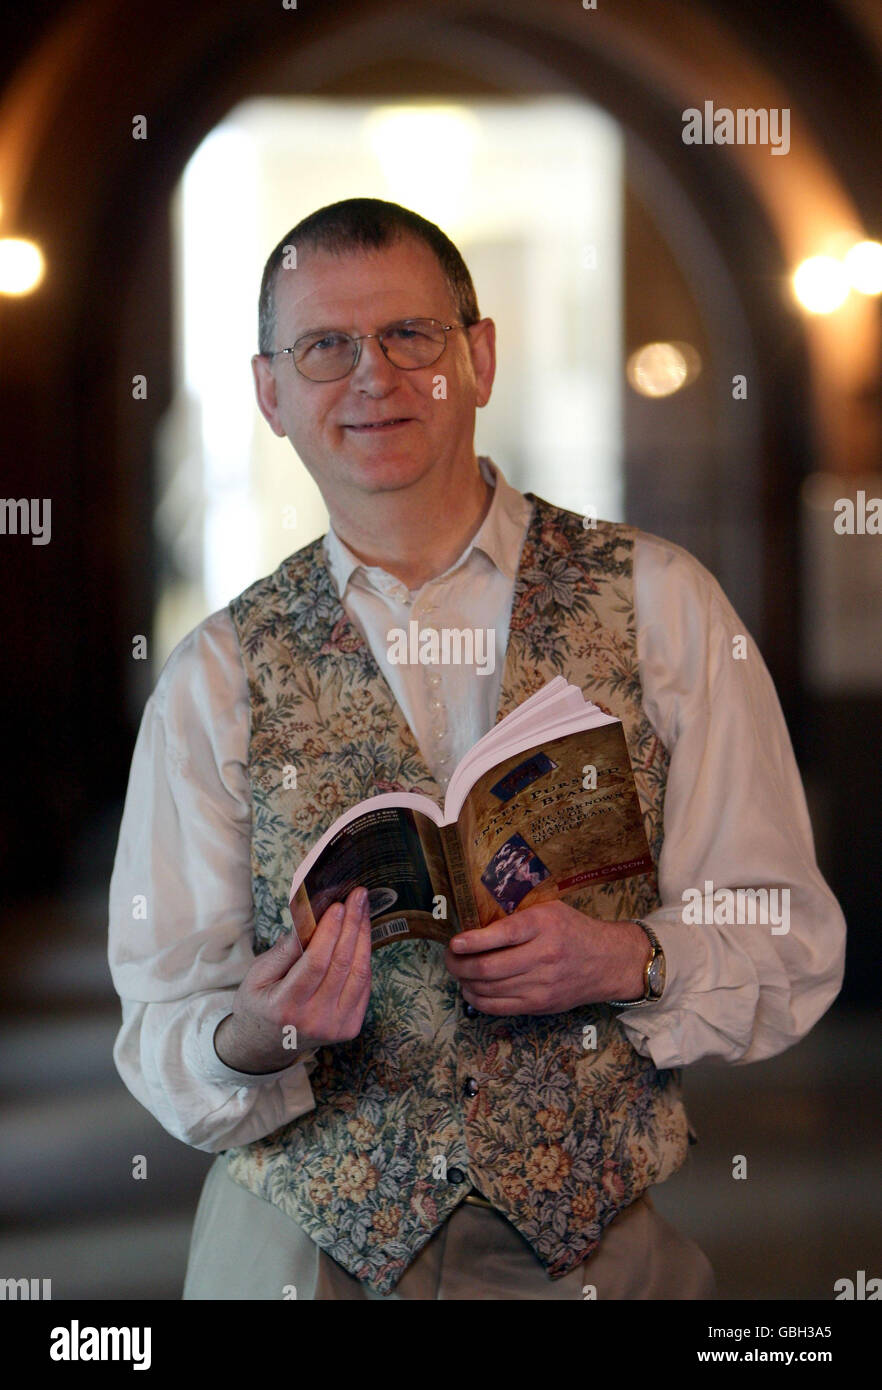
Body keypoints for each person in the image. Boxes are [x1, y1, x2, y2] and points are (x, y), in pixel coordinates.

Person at [108, 197, 846, 1301]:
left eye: (413, 336)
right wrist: (259, 1031)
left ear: (479, 355)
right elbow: (164, 1020)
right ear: (271, 393)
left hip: (593, 1251)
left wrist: (628, 959)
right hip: (299, 1255)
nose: (375, 377)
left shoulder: (662, 603)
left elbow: (786, 934)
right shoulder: (216, 674)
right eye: (326, 347)